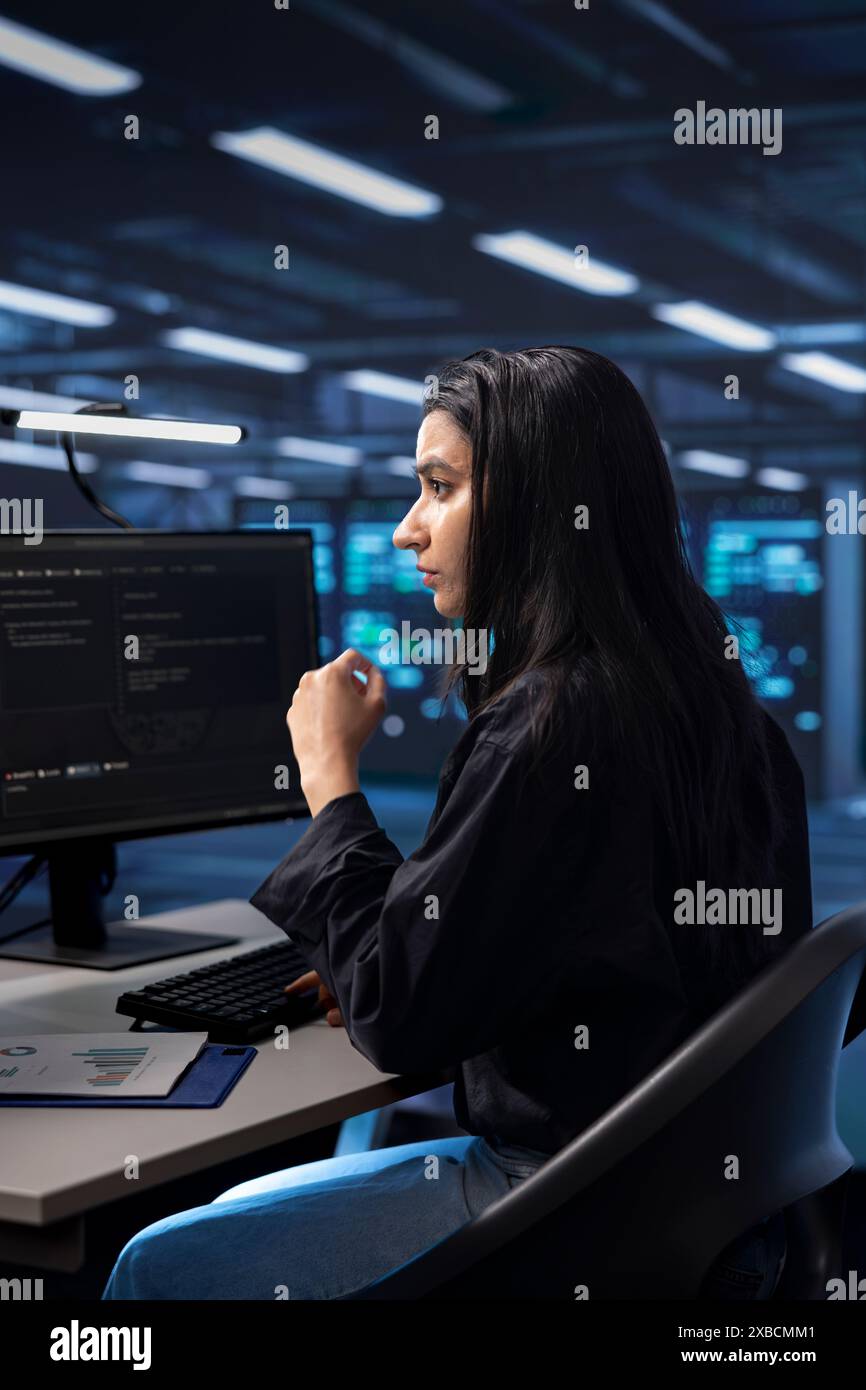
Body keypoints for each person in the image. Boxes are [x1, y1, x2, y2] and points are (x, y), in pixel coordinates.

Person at [103, 345, 806, 1300]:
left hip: (570, 1209)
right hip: (714, 1226)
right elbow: (616, 959)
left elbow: (402, 1019)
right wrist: (418, 959)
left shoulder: (545, 729)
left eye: (439, 489)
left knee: (154, 1267)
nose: (406, 531)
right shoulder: (730, 719)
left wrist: (329, 777)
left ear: (536, 508)